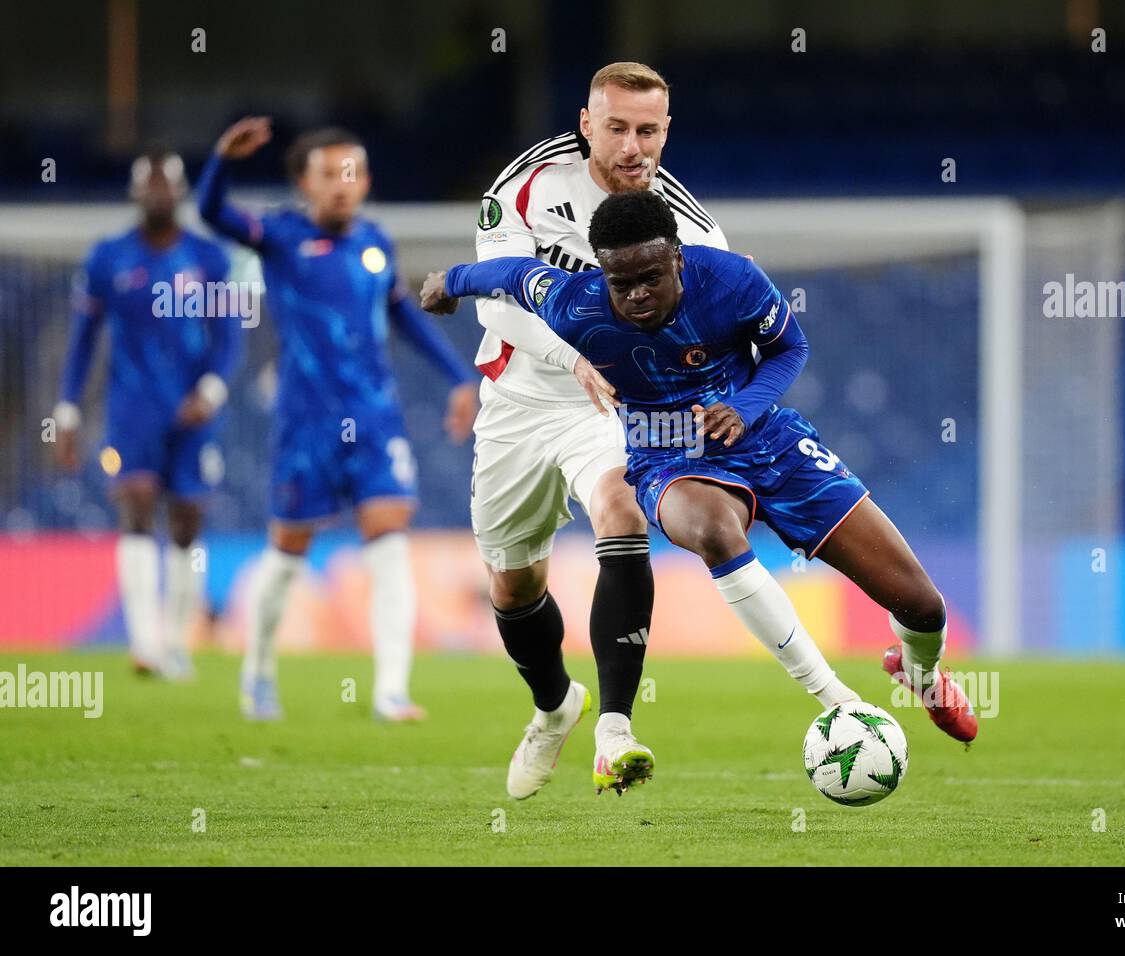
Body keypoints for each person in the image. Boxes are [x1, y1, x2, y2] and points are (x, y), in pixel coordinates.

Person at [422, 190, 979, 776]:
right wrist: (449, 280)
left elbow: (790, 347)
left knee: (921, 604)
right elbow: (511, 272)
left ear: (679, 259)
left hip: (770, 441)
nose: (636, 293)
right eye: (621, 281)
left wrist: (745, 405)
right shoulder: (575, 304)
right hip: (668, 457)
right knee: (714, 529)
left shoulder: (733, 280)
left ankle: (919, 670)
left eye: (650, 277)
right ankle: (838, 701)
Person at [467, 63, 727, 797]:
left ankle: (615, 730)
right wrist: (571, 353)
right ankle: (555, 707)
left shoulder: (694, 228)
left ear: (666, 132)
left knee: (621, 509)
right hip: (519, 400)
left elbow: (727, 317)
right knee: (513, 586)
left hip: (612, 408)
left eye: (648, 131)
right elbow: (497, 299)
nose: (632, 146)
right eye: (616, 128)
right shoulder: (527, 185)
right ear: (588, 124)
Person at [195, 117, 479, 722]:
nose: (342, 185)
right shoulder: (278, 236)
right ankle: (259, 670)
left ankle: (391, 691)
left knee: (389, 543)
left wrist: (460, 378)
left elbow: (403, 316)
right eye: (328, 174)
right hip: (307, 424)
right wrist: (222, 159)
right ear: (304, 183)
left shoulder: (375, 243)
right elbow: (212, 212)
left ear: (366, 178)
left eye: (352, 172)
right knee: (288, 551)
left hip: (376, 421)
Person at [55, 148, 237, 680]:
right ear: (135, 193)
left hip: (194, 411)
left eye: (168, 185)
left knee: (186, 520)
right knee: (134, 506)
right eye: (148, 185)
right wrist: (67, 413)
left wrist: (210, 390)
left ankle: (177, 642)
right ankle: (145, 642)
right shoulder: (107, 259)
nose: (158, 194)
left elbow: (228, 340)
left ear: (180, 194)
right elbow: (82, 342)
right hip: (132, 409)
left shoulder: (209, 259)